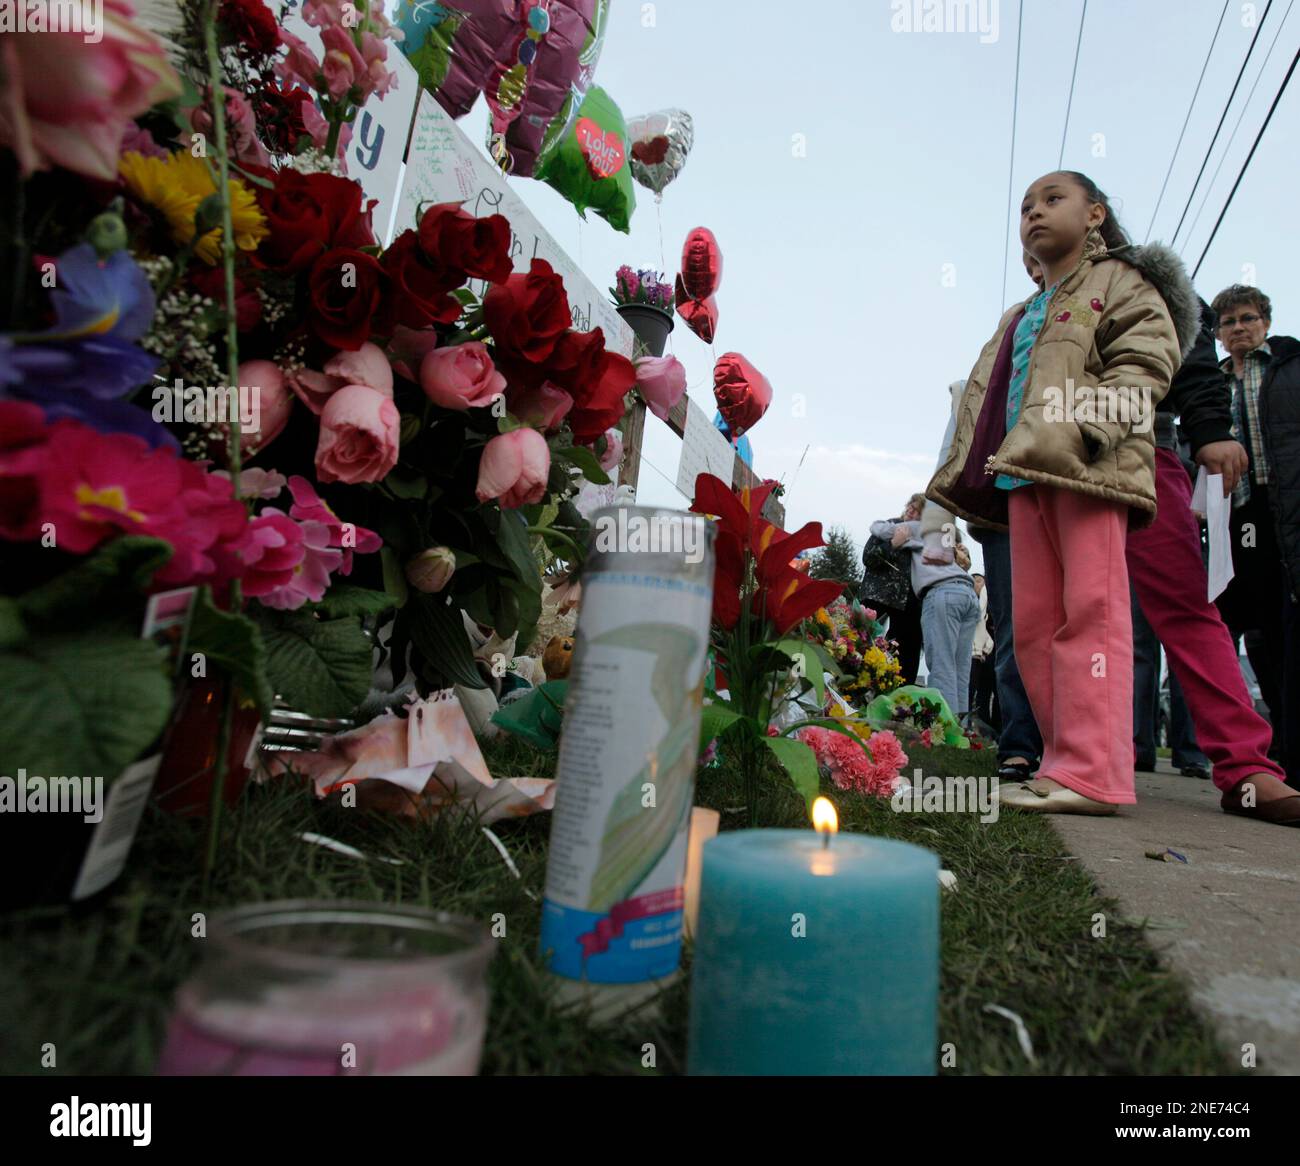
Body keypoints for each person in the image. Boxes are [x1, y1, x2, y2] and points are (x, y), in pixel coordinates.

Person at [927, 171, 1185, 815]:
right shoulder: (1020, 312)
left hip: (1090, 468)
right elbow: (986, 401)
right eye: (1024, 207)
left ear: (1095, 214)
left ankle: (1096, 771)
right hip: (1024, 478)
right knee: (1035, 626)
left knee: (1091, 611)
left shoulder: (1121, 281)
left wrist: (1093, 424)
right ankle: (1061, 762)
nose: (1034, 214)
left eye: (1052, 200)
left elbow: (1149, 356)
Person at [921, 360, 1044, 782]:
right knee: (1008, 635)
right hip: (1000, 509)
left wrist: (930, 532)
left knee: (951, 664)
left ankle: (1042, 742)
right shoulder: (1002, 354)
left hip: (1041, 494)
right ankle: (1022, 744)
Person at [1210, 283, 1300, 789]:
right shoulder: (1213, 383)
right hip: (1239, 518)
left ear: (1265, 321)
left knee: (1290, 626)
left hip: (1287, 504)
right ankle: (1270, 750)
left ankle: (1290, 747)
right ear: (1219, 333)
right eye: (1228, 322)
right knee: (1255, 629)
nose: (1239, 328)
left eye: (1247, 318)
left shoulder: (1287, 365)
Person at [868, 514, 979, 717]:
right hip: (968, 595)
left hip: (942, 593)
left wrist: (901, 524)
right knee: (961, 668)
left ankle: (943, 725)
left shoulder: (920, 526)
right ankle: (961, 728)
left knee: (942, 664)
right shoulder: (947, 539)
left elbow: (877, 527)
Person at [869, 494, 926, 684]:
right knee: (859, 642)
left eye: (918, 510)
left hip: (909, 604)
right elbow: (868, 558)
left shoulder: (926, 539)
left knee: (907, 658)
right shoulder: (888, 527)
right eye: (911, 505)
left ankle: (901, 702)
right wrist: (894, 543)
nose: (911, 510)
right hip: (878, 597)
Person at [968, 573, 998, 731]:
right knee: (979, 691)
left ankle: (993, 728)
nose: (977, 584)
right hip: (977, 652)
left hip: (992, 649)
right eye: (974, 581)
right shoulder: (971, 604)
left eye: (980, 580)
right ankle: (982, 728)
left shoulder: (991, 601)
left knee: (993, 690)